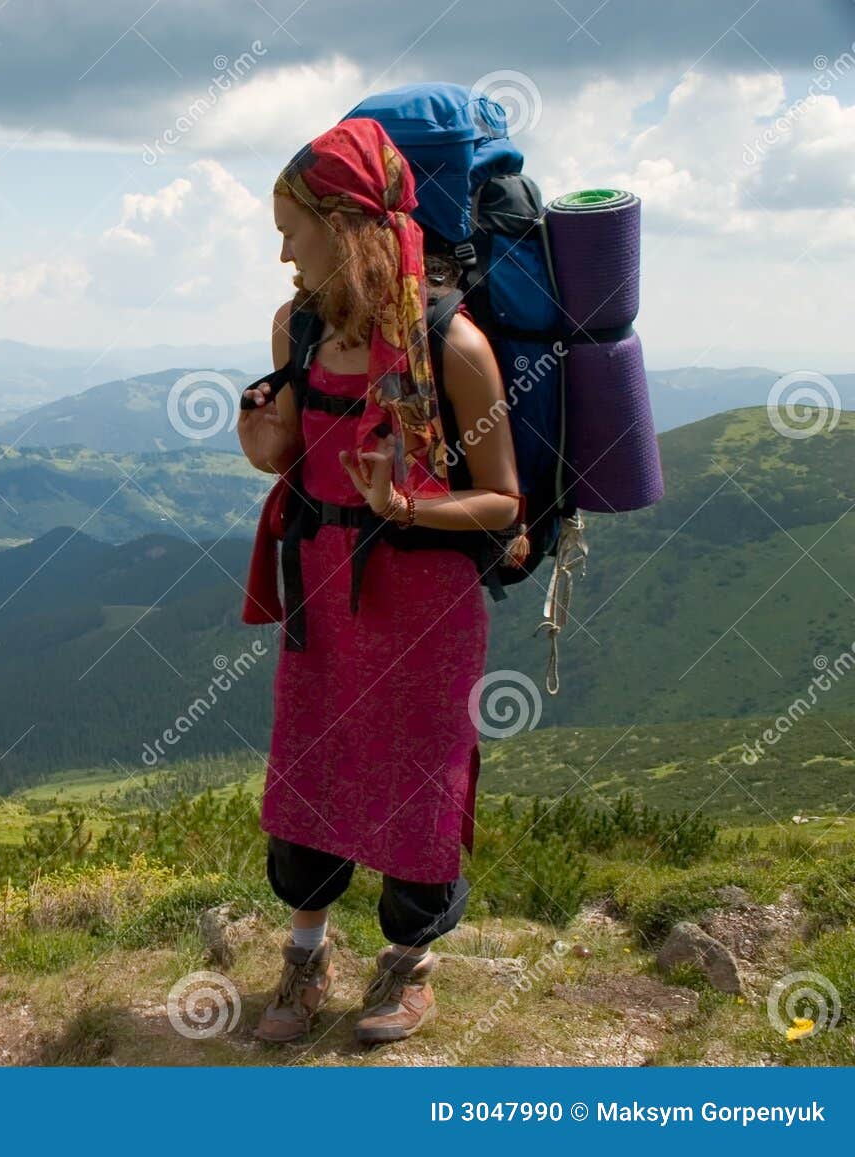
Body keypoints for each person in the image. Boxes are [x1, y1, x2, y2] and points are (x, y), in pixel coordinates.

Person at [236, 118, 524, 1045]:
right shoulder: (298, 327)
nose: (284, 253)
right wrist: (261, 442)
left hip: (427, 603)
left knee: (418, 775)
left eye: (293, 232)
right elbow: (291, 452)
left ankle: (409, 966)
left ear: (346, 227)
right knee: (311, 763)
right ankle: (306, 955)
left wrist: (405, 506)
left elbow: (503, 503)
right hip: (324, 586)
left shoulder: (456, 347)